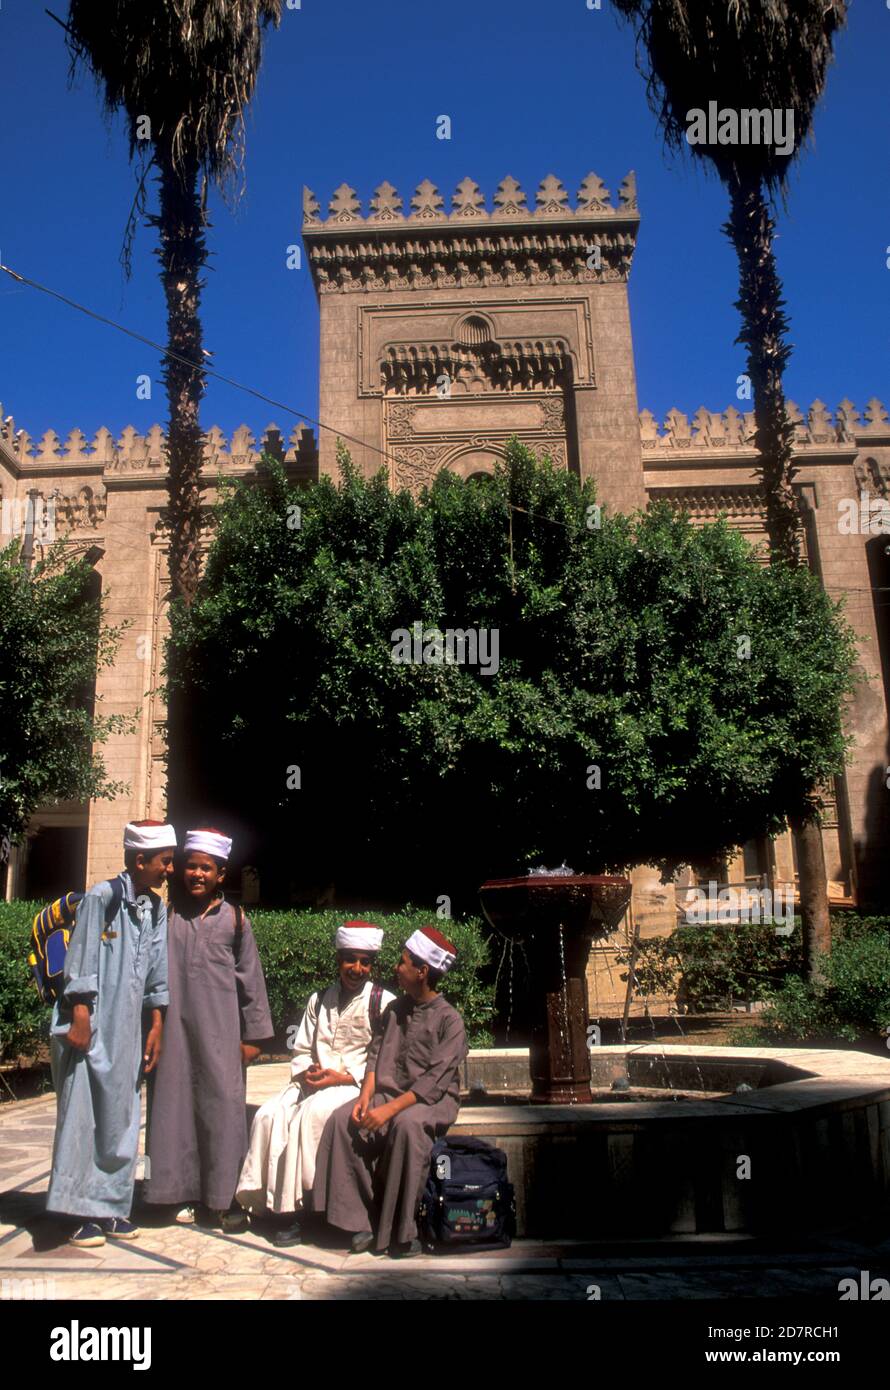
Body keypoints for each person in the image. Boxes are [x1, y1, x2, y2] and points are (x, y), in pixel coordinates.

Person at [46, 820, 175, 1248]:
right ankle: (77, 1211)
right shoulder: (102, 898)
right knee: (83, 1113)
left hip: (128, 1029)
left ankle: (109, 1206)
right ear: (140, 860)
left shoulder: (155, 908)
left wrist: (155, 1024)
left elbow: (157, 973)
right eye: (164, 862)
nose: (169, 870)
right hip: (92, 1021)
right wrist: (81, 1014)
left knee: (121, 1115)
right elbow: (79, 958)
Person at [143, 827, 273, 1231]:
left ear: (221, 874)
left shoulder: (235, 921)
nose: (196, 874)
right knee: (170, 1109)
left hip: (220, 1035)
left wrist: (253, 1039)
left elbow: (251, 981)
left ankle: (222, 1198)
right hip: (172, 1033)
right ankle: (168, 1193)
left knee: (223, 1110)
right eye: (190, 866)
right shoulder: (165, 916)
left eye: (206, 868)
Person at [236, 921, 396, 1247]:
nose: (357, 968)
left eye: (365, 962)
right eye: (350, 959)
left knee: (308, 1119)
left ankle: (299, 1212)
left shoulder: (383, 1001)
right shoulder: (320, 998)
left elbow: (385, 1058)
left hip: (353, 1086)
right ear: (338, 960)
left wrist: (344, 1076)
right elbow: (303, 1048)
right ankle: (264, 1205)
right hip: (313, 1081)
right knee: (269, 1115)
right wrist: (306, 1072)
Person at [311, 925, 467, 1258]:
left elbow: (435, 1082)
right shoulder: (394, 1011)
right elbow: (373, 1056)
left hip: (430, 1101)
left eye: (403, 962)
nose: (397, 968)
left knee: (407, 1127)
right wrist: (367, 1096)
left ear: (422, 972)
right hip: (388, 1093)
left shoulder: (450, 1020)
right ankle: (360, 1222)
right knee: (343, 1120)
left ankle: (403, 1230)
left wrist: (388, 1110)